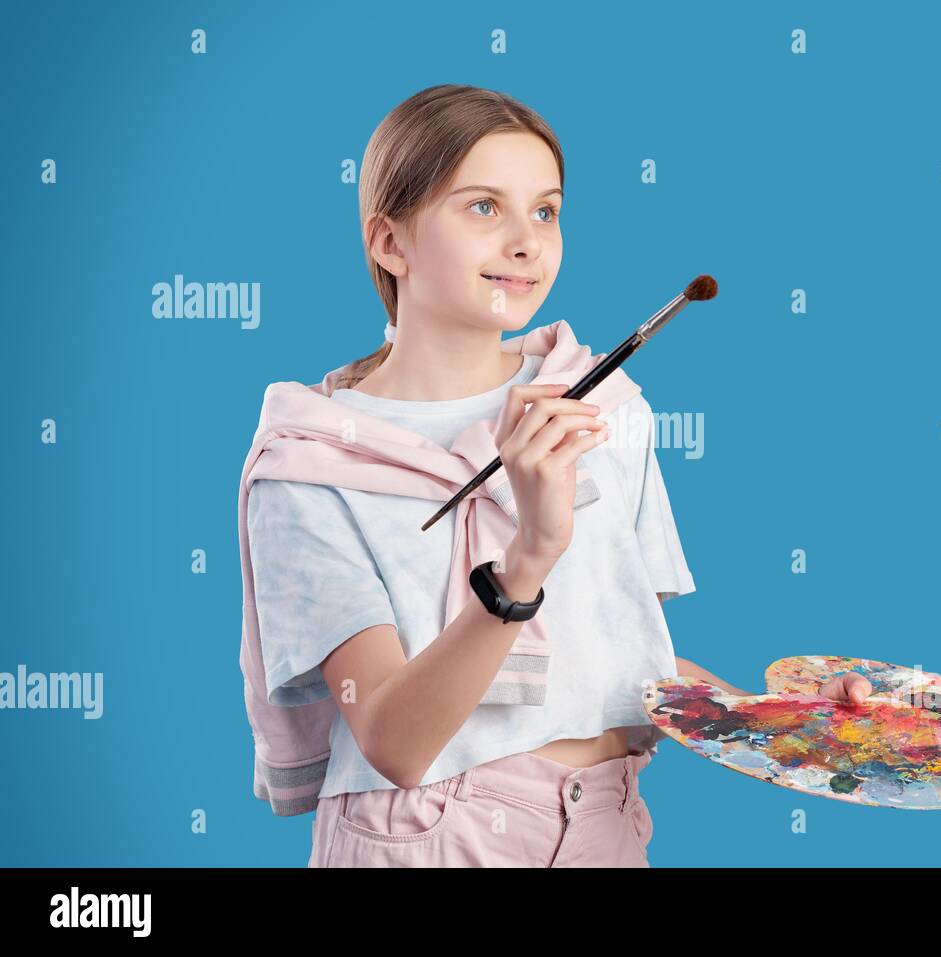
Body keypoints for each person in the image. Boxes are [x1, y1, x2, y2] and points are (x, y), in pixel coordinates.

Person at [246, 84, 870, 868]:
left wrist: (781, 720)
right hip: (425, 840)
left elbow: (620, 653)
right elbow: (393, 740)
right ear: (390, 243)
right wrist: (526, 560)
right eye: (483, 207)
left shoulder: (604, 405)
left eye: (545, 210)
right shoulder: (312, 456)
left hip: (606, 830)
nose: (526, 242)